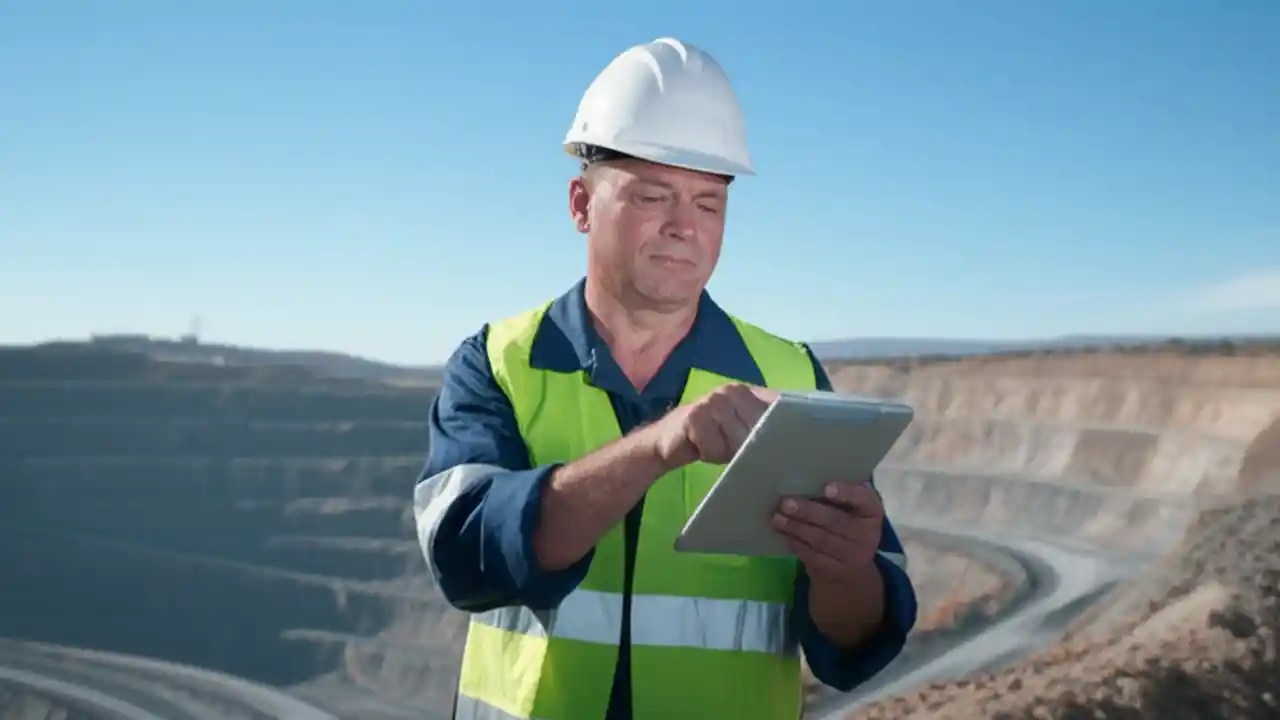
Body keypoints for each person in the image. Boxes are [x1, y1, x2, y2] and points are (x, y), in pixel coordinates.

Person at [413, 37, 917, 720]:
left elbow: (856, 644)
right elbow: (468, 559)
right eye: (654, 195)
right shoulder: (500, 363)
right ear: (580, 205)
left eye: (708, 204)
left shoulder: (789, 375)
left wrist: (847, 568)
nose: (684, 227)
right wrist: (660, 446)